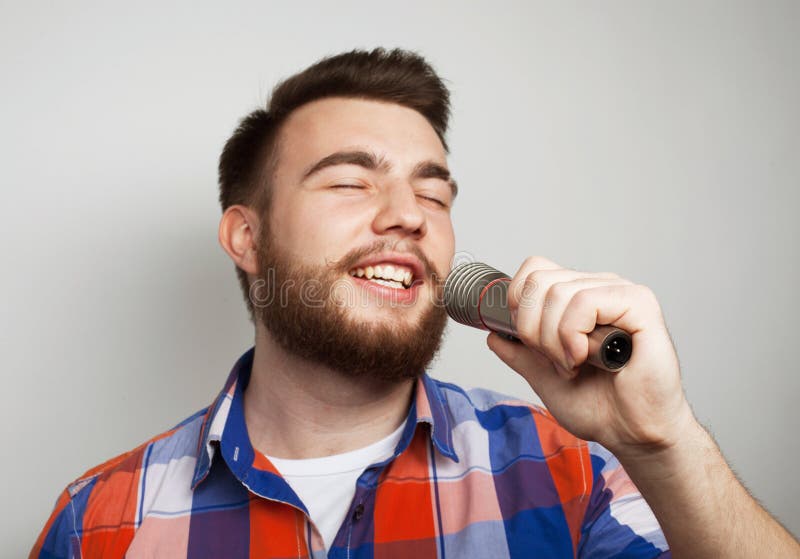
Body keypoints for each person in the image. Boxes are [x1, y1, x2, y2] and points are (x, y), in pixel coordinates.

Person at [30, 48, 798, 559]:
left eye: (434, 191)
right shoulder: (99, 522)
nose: (411, 214)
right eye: (351, 181)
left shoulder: (572, 476)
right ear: (246, 236)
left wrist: (663, 441)